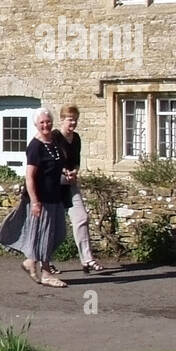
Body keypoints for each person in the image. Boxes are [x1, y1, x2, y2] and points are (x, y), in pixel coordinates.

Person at [0, 106, 68, 288]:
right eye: (42, 122)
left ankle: (30, 261)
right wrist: (34, 201)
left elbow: (56, 168)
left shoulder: (54, 142)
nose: (45, 125)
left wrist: (67, 176)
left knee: (58, 234)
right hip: (42, 198)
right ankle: (47, 273)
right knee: (45, 236)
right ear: (36, 124)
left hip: (55, 196)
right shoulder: (35, 147)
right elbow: (30, 176)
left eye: (48, 121)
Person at [57, 104, 103, 273]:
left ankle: (87, 259)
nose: (73, 123)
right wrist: (64, 171)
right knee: (54, 225)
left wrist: (74, 171)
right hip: (55, 185)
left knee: (81, 218)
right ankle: (45, 262)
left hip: (70, 183)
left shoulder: (76, 138)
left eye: (75, 120)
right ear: (62, 119)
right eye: (70, 119)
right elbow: (53, 161)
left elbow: (76, 160)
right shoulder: (55, 137)